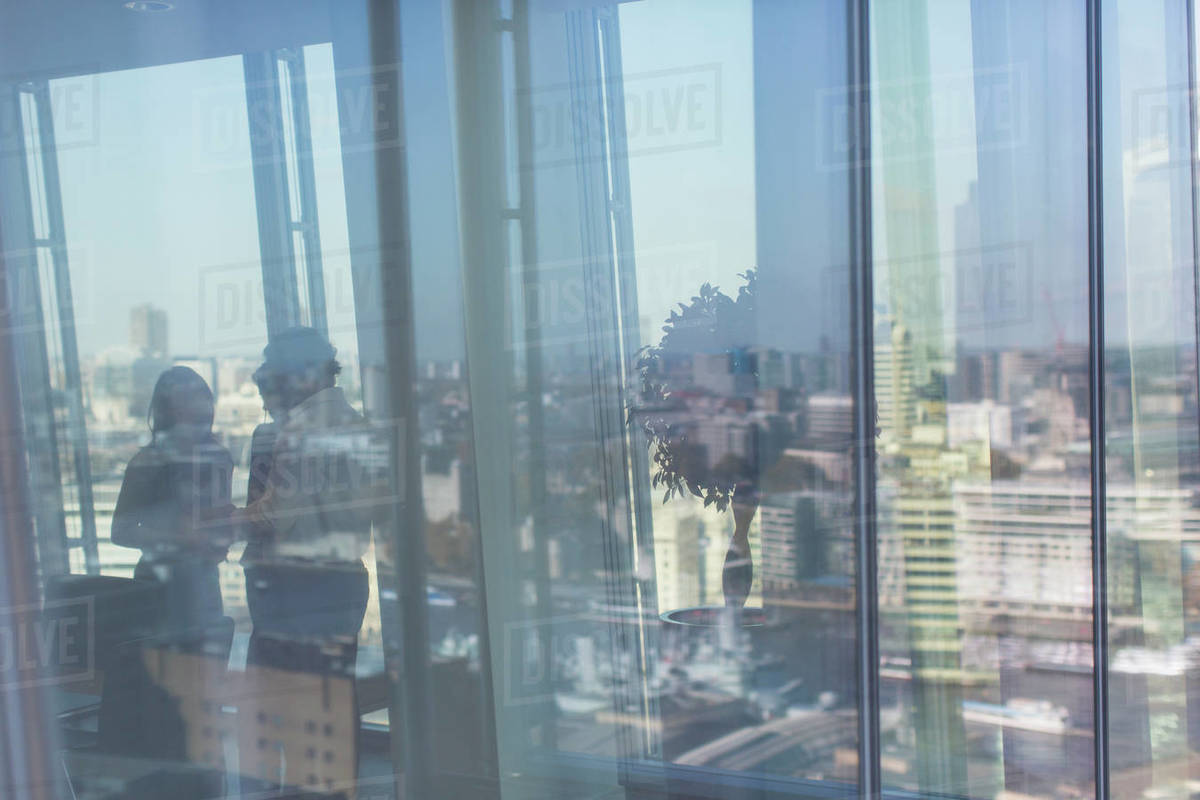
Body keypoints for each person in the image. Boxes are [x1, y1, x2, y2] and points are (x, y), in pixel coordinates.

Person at [239, 327, 383, 676]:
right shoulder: (357, 423)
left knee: (279, 706)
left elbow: (279, 516)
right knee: (328, 702)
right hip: (345, 581)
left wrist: (222, 521)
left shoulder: (300, 431)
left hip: (296, 587)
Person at [112, 366, 234, 641]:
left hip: (203, 578)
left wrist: (225, 531)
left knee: (200, 670)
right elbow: (120, 531)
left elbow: (218, 518)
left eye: (200, 401)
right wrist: (180, 538)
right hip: (159, 582)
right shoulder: (147, 462)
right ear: (170, 410)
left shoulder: (219, 458)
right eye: (187, 403)